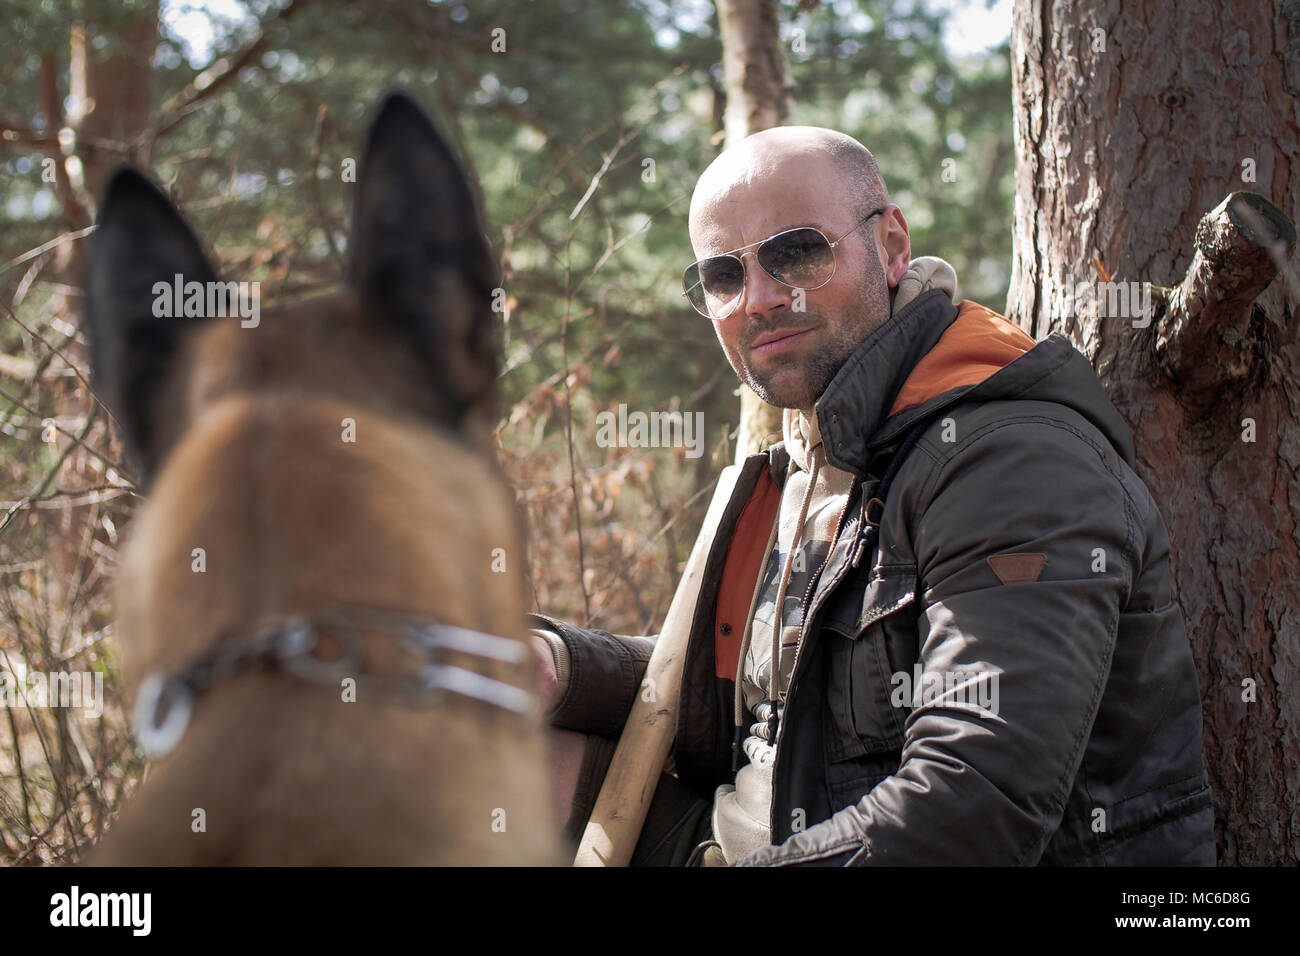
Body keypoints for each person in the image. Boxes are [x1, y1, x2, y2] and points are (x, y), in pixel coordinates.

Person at [529, 126, 1216, 866]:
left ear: (891, 247)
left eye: (796, 252)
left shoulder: (1011, 462)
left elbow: (972, 805)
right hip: (741, 839)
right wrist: (556, 670)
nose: (759, 298)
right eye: (723, 276)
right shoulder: (797, 465)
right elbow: (759, 690)